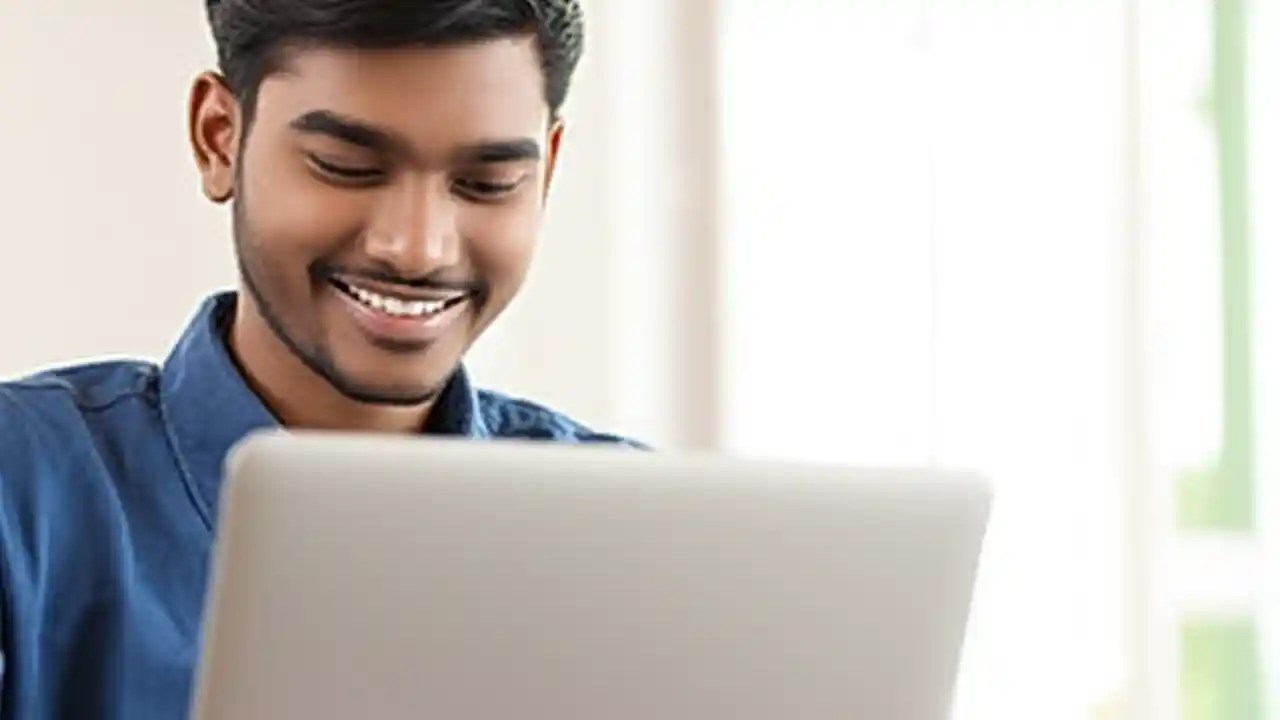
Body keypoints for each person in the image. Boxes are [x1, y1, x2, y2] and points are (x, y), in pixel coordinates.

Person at [0, 1, 639, 717]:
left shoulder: (634, 541)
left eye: (486, 184)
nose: (418, 248)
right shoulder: (22, 491)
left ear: (546, 172)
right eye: (349, 168)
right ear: (219, 139)